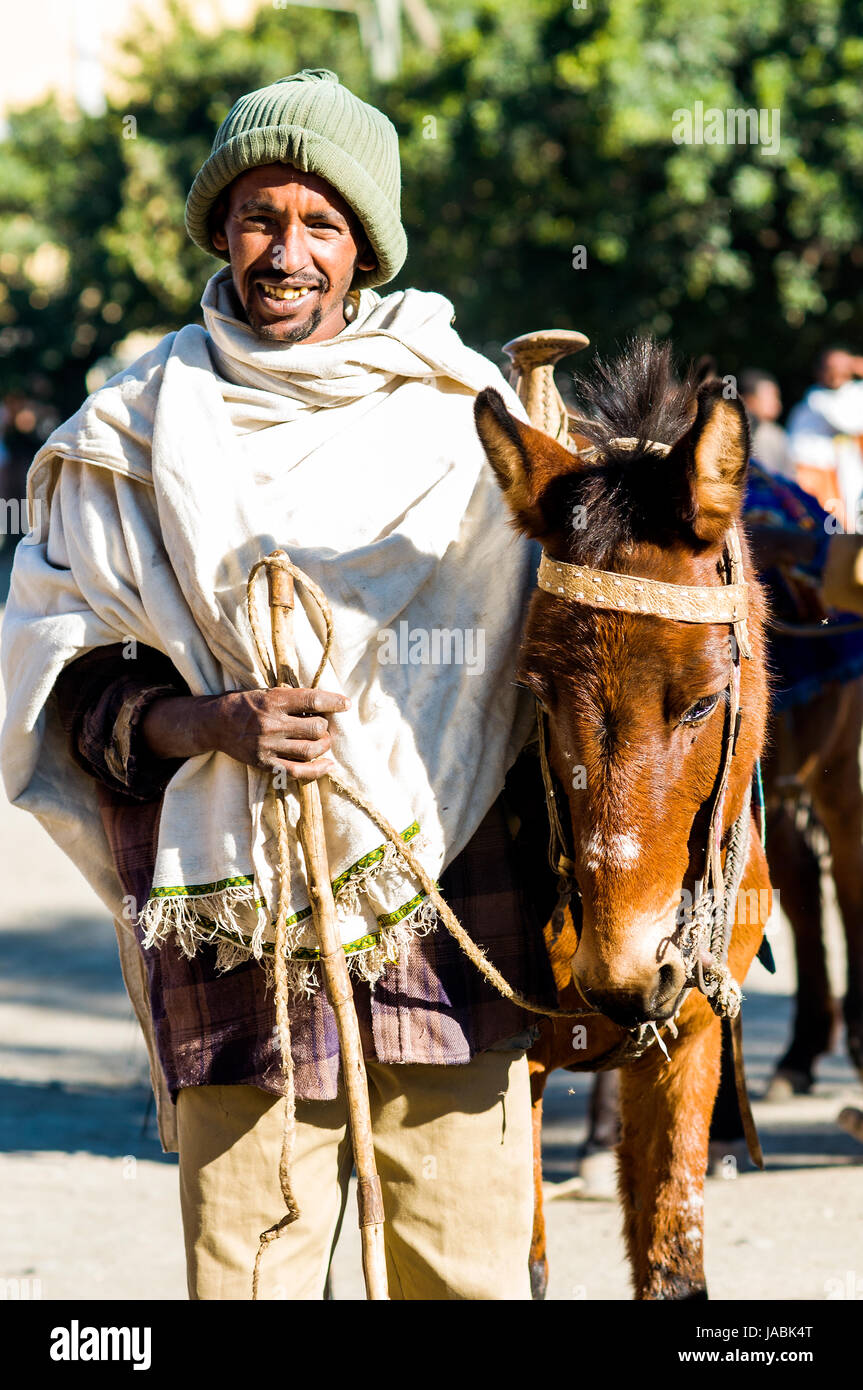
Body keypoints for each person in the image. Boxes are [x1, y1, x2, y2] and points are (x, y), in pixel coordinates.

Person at [0, 69, 557, 1301]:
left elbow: (558, 664)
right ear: (219, 229)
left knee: (458, 1272)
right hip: (237, 929)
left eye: (320, 223)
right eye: (260, 216)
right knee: (245, 1275)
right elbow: (58, 684)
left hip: (450, 909)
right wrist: (211, 720)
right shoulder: (130, 437)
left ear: (364, 248)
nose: (287, 252)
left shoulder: (465, 415)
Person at [786, 346, 863, 529]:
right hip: (824, 487)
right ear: (819, 372)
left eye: (843, 367)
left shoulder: (855, 394)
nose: (837, 373)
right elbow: (846, 421)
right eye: (831, 368)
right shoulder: (813, 403)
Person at [739, 368, 791, 478]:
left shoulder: (775, 432)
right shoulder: (735, 432)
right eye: (771, 397)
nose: (777, 403)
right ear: (748, 399)